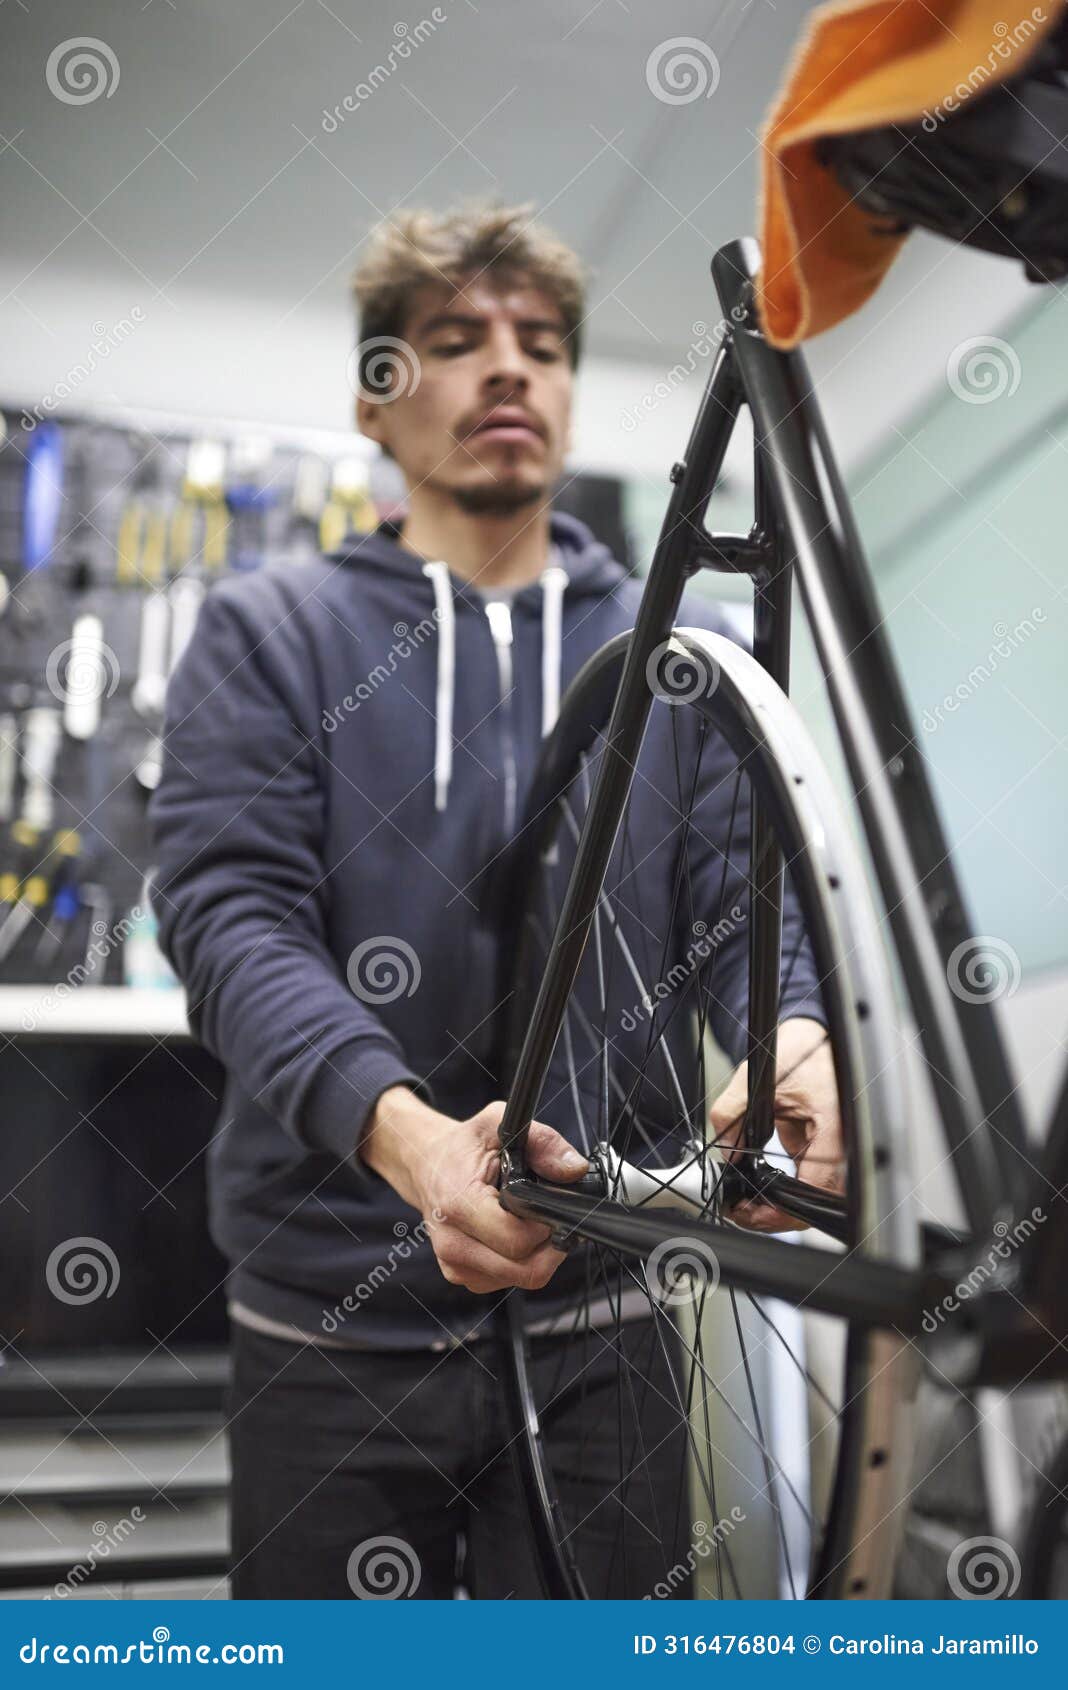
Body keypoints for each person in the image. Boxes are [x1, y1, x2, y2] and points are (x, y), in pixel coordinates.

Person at [150, 200, 841, 1600]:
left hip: (617, 1306)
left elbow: (743, 905)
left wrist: (801, 1043)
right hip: (330, 1319)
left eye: (541, 343)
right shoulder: (270, 634)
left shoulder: (677, 656)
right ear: (377, 402)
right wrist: (408, 1144)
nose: (509, 369)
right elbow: (231, 921)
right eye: (456, 342)